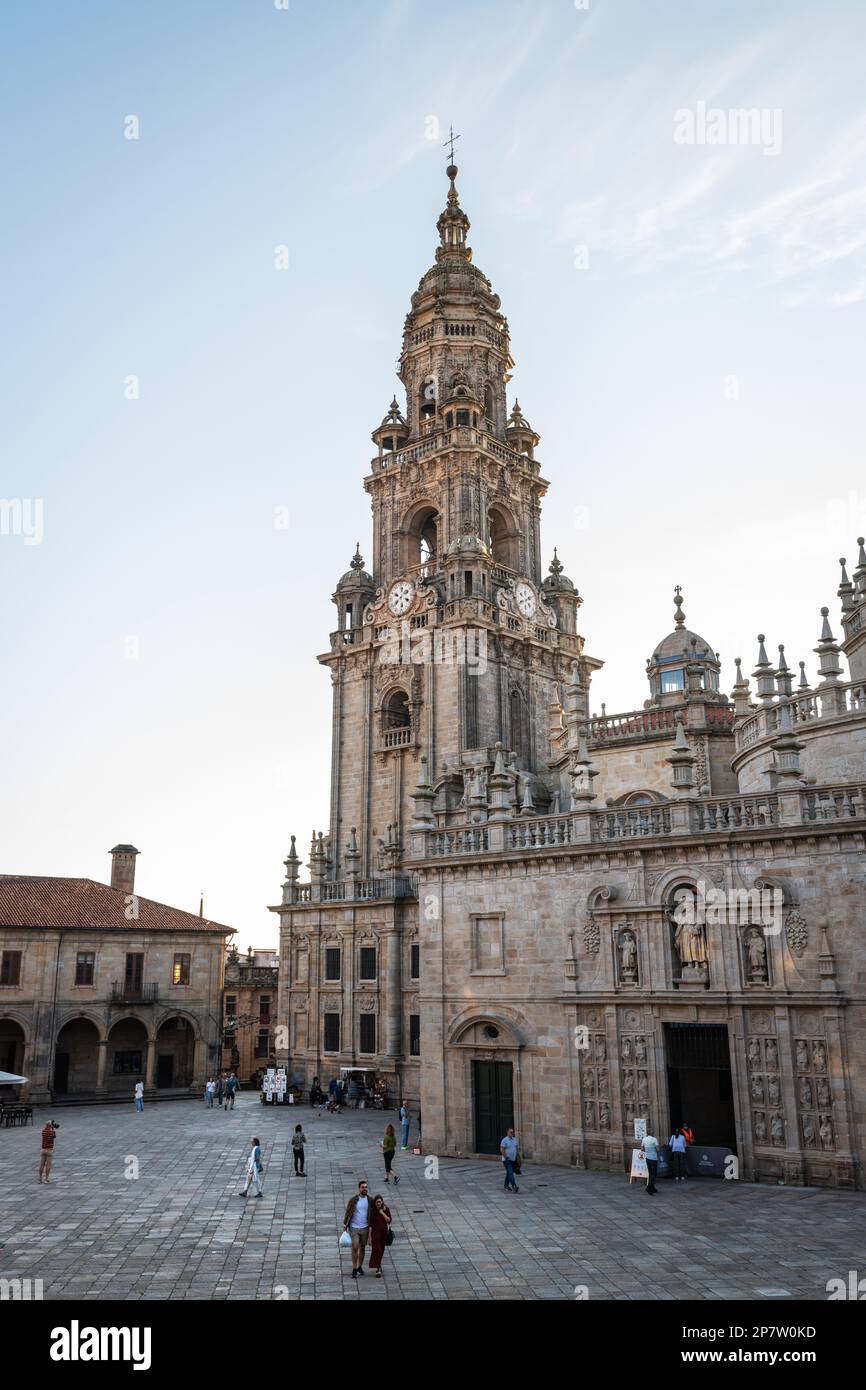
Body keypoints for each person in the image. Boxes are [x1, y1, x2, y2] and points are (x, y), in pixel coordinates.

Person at [343, 1180, 371, 1279]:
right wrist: (345, 1223)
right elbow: (348, 1211)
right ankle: (354, 1268)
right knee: (355, 1247)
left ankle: (360, 1266)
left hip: (365, 1227)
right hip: (354, 1227)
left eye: (366, 1187)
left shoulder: (370, 1200)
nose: (365, 1189)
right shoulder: (354, 1200)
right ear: (359, 1188)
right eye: (363, 1187)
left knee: (362, 1248)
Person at [368, 1194, 392, 1278]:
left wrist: (382, 1213)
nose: (378, 1204)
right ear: (375, 1203)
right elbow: (370, 1225)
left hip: (383, 1233)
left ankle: (379, 1265)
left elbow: (389, 1220)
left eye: (380, 1202)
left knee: (381, 1250)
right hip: (375, 1234)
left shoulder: (386, 1209)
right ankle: (378, 1268)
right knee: (376, 1250)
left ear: (382, 1202)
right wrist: (369, 1237)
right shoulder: (372, 1211)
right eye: (377, 1202)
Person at [500, 1127, 519, 1193]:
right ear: (508, 1133)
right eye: (511, 1132)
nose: (512, 1133)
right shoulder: (504, 1140)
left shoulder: (514, 1139)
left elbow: (516, 1148)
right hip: (506, 1160)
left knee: (509, 1173)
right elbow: (502, 1150)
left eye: (513, 1132)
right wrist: (506, 1157)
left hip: (513, 1159)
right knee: (510, 1172)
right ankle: (514, 1186)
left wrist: (517, 1157)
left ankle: (506, 1186)